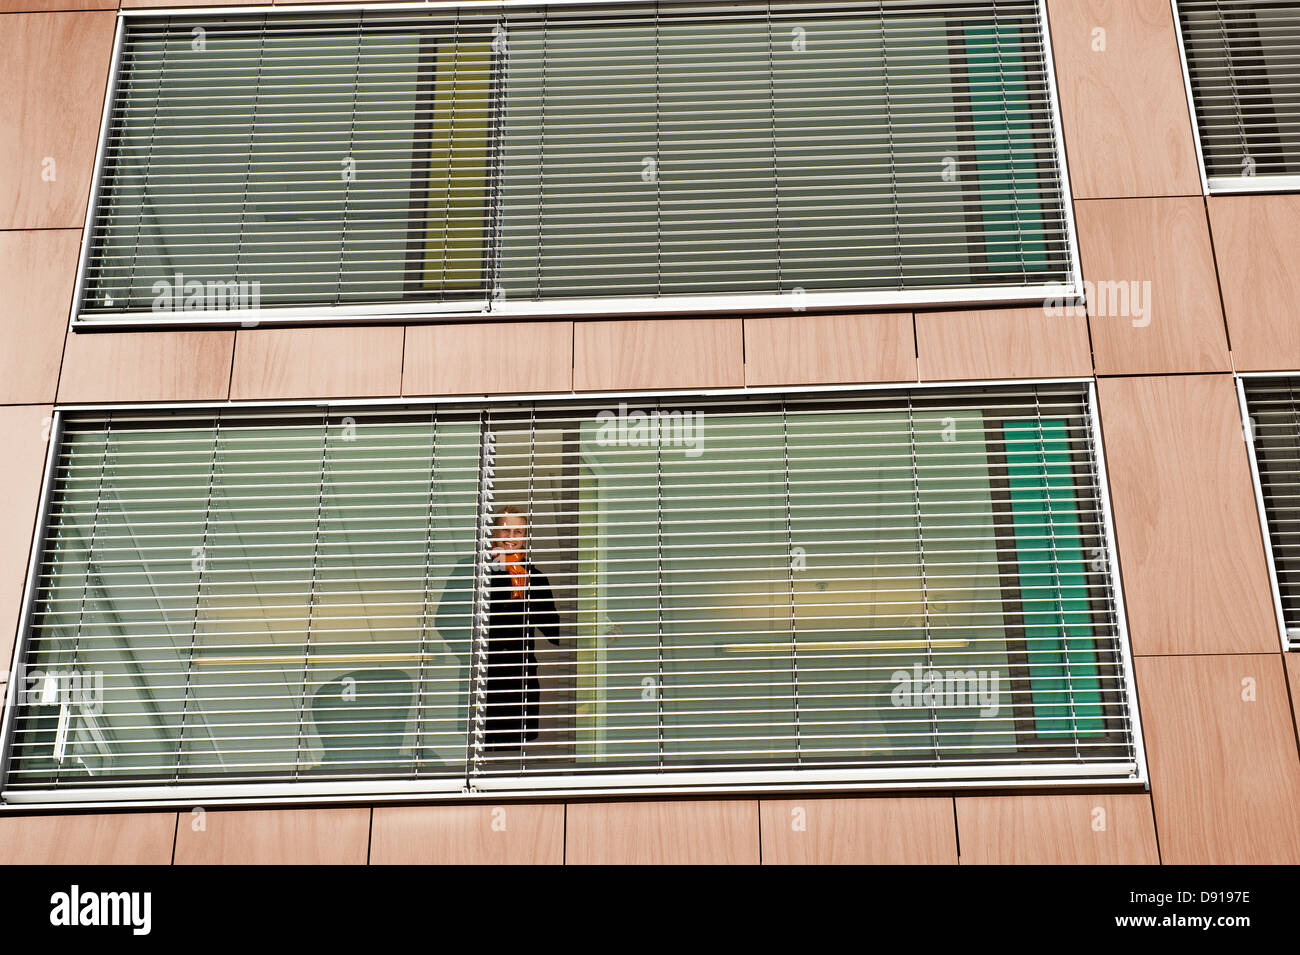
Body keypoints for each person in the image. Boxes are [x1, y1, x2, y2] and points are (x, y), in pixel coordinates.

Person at [481, 505, 560, 751]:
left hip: (518, 679)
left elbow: (553, 632)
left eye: (518, 532)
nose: (511, 538)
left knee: (510, 754)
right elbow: (446, 621)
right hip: (483, 676)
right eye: (505, 531)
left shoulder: (535, 578)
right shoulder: (476, 571)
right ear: (493, 534)